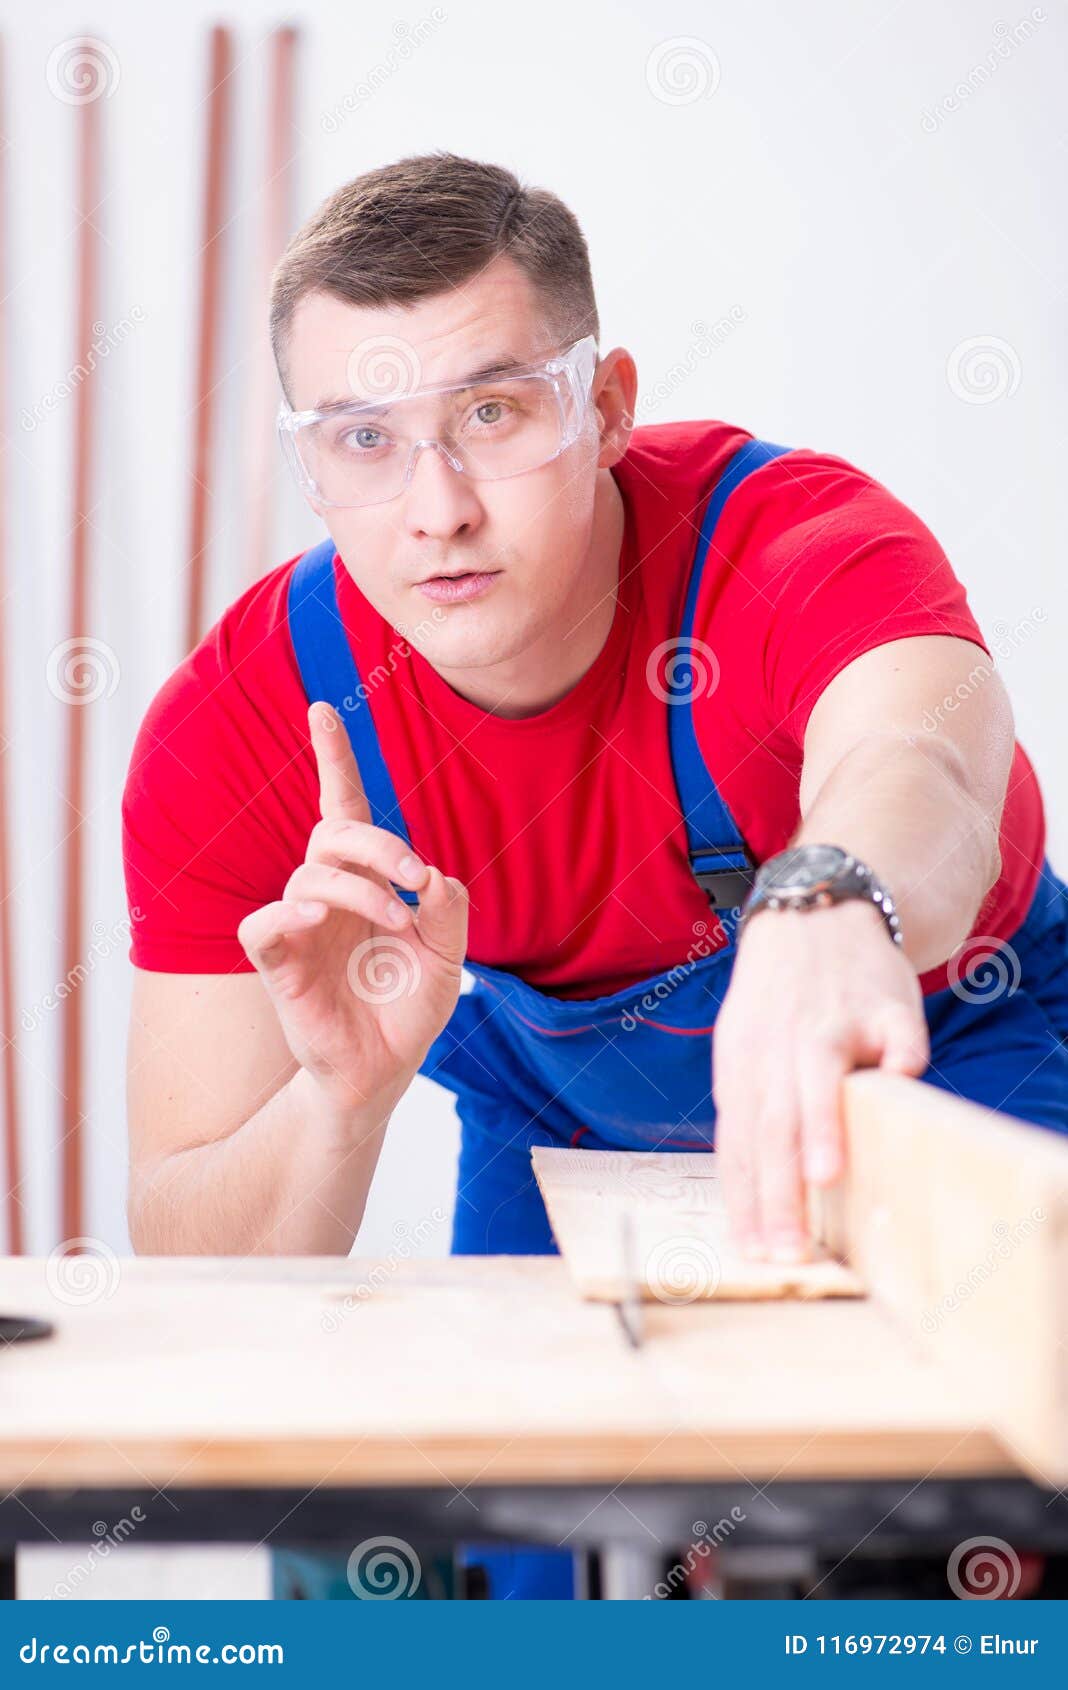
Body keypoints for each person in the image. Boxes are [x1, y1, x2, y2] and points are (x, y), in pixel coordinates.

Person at [122, 151, 1068, 1599]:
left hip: (948, 1076)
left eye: (489, 413)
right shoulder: (246, 718)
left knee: (955, 1530)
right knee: (525, 1553)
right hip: (563, 1139)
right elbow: (197, 1265)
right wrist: (339, 1099)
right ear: (309, 458)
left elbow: (925, 762)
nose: (435, 506)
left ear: (606, 404)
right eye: (364, 439)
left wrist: (829, 897)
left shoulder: (789, 546)